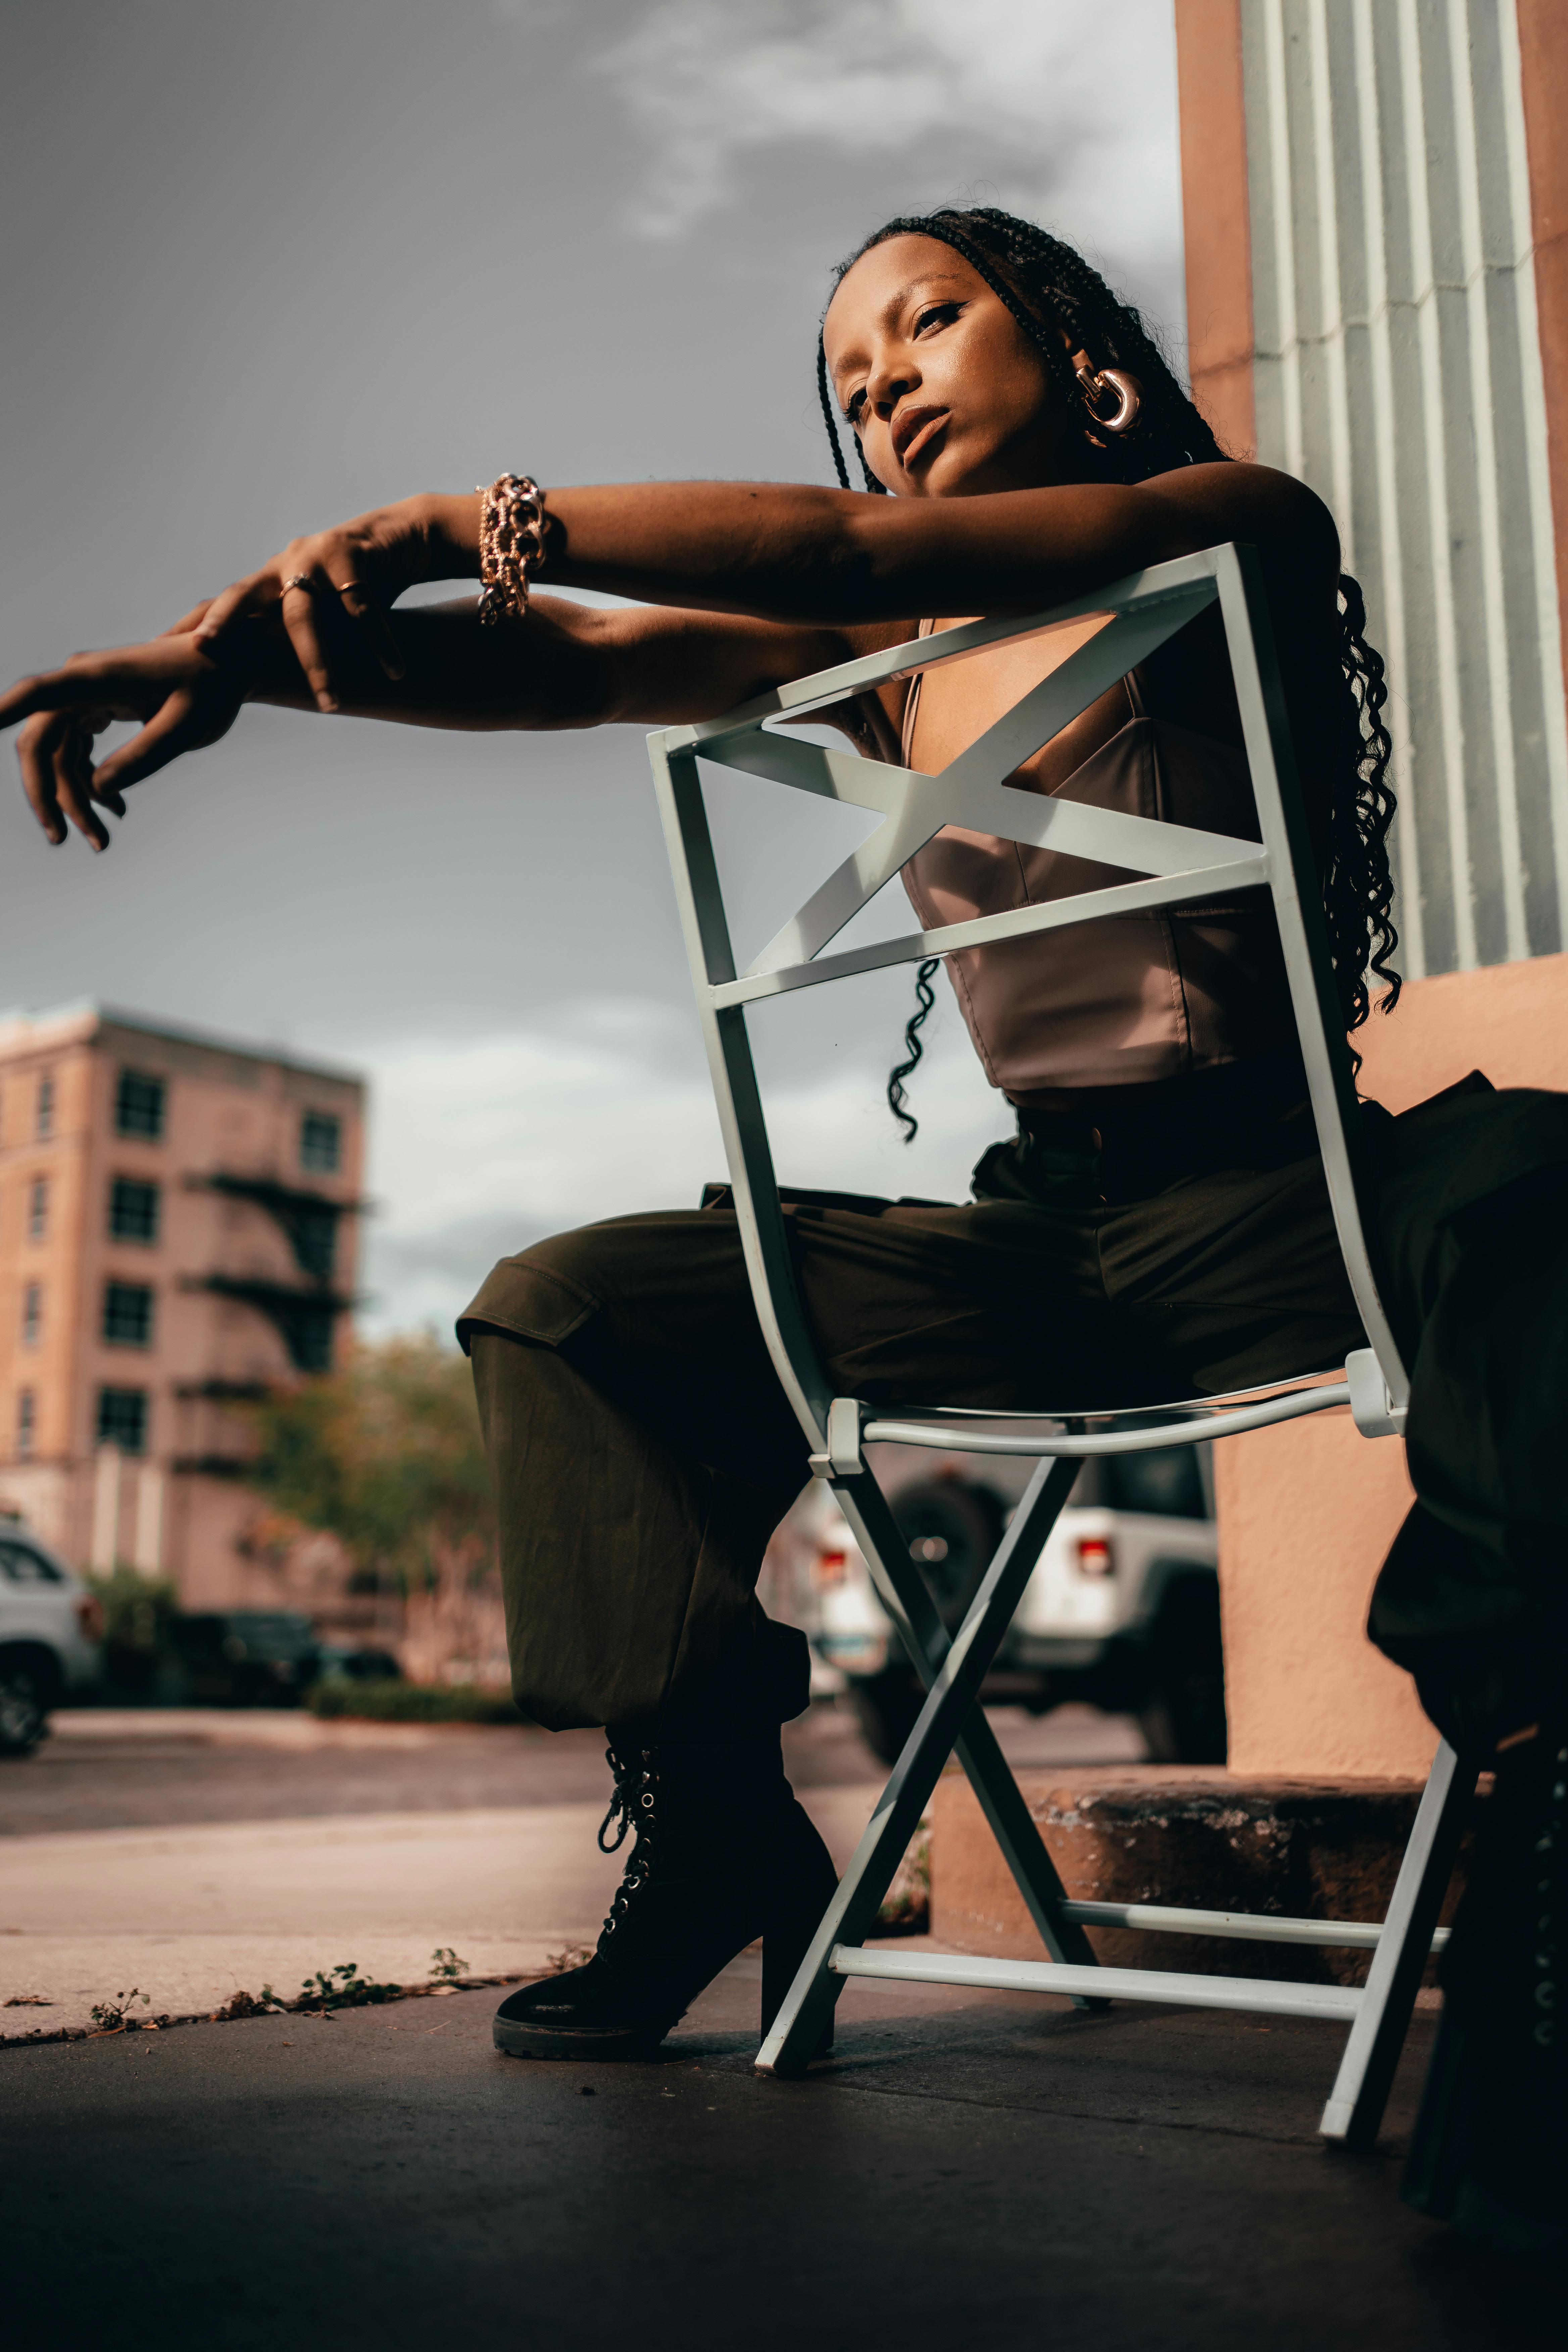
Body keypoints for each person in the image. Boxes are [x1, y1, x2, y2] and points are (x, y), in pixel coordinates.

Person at [3, 205, 1564, 2258]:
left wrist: (445, 515)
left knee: (1537, 1179)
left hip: (1294, 1198)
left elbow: (839, 553)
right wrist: (227, 664)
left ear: (1082, 355)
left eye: (927, 322)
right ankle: (725, 1828)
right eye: (847, 379)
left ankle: (1538, 1809)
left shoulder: (1228, 520)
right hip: (1039, 1235)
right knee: (565, 1306)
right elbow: (570, 670)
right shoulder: (877, 666)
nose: (885, 381)